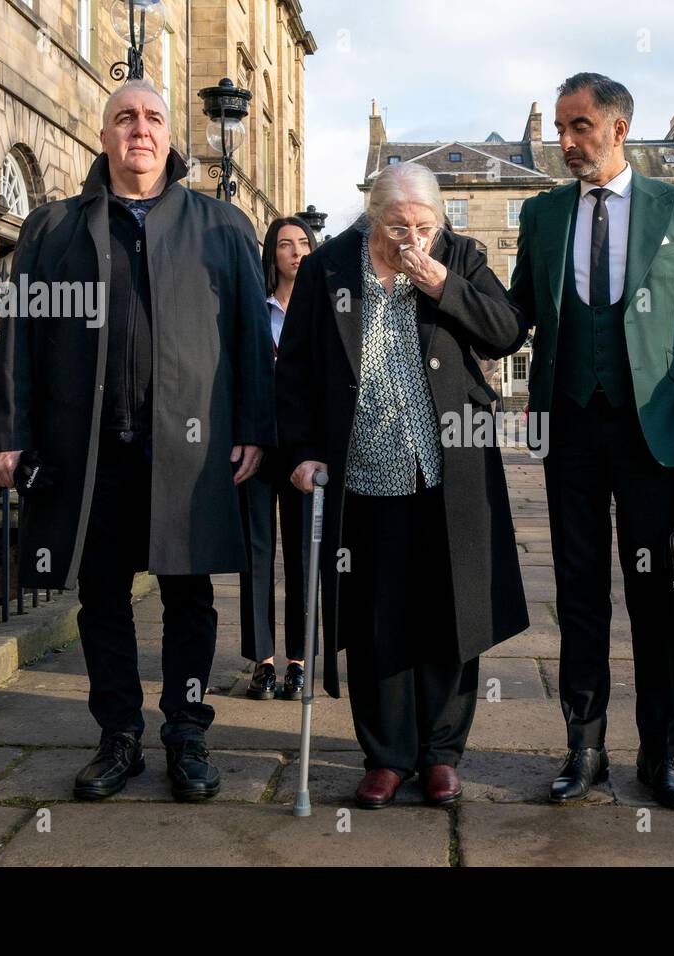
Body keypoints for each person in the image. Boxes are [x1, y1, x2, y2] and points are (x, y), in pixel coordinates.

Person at [0, 79, 274, 802]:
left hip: (191, 448)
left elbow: (248, 339)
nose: (138, 130)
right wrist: (6, 435)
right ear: (105, 134)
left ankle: (187, 732)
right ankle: (119, 737)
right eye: (124, 118)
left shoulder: (221, 226)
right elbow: (16, 338)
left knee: (190, 596)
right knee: (101, 597)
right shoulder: (53, 229)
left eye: (151, 118)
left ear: (169, 136)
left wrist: (253, 429)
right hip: (88, 452)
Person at [276, 161, 530, 809]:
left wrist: (444, 285)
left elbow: (506, 332)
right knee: (377, 616)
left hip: (448, 469)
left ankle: (441, 755)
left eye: (423, 226)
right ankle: (386, 755)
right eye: (397, 228)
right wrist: (302, 452)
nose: (411, 239)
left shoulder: (461, 256)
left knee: (452, 610)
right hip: (363, 473)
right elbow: (297, 371)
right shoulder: (327, 265)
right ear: (372, 216)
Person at [509, 73, 674, 810]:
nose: (565, 143)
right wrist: (442, 282)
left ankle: (659, 757)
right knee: (579, 592)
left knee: (656, 597)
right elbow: (512, 316)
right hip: (569, 427)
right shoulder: (542, 215)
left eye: (579, 128)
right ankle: (585, 749)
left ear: (618, 129)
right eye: (561, 129)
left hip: (654, 433)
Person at [240, 216, 317, 701]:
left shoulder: (327, 309)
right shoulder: (255, 308)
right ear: (272, 255)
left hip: (305, 451)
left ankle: (299, 659)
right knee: (256, 552)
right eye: (285, 244)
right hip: (257, 445)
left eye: (304, 243)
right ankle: (262, 660)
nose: (295, 252)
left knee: (304, 557)